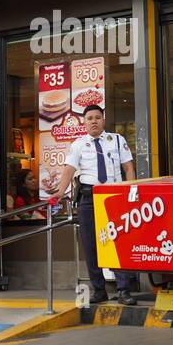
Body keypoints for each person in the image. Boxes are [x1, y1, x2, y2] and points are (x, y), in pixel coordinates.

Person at [51, 104, 140, 306]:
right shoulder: (79, 144)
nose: (93, 121)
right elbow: (69, 170)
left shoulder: (117, 140)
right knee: (91, 246)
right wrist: (59, 192)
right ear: (84, 122)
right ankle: (99, 290)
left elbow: (128, 167)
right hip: (88, 198)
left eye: (97, 117)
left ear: (103, 120)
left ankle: (124, 290)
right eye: (89, 118)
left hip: (113, 198)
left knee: (117, 243)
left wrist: (129, 191)